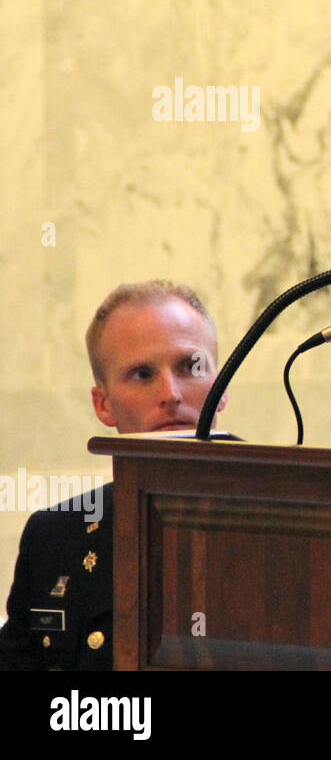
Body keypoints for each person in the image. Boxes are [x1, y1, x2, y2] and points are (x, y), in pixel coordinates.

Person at [0, 280, 226, 669]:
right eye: (142, 374)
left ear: (222, 388)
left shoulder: (287, 518)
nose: (171, 393)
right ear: (103, 405)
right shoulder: (57, 537)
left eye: (192, 367)